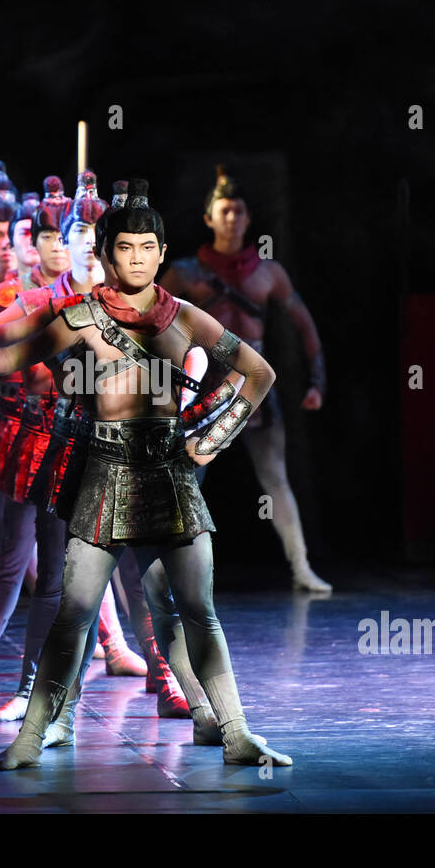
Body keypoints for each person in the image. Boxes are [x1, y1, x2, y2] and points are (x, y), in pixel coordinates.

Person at [0, 179, 291, 769]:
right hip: (103, 473)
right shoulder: (82, 315)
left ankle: (233, 731)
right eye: (127, 247)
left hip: (169, 473)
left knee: (195, 608)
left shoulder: (185, 317)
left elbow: (258, 372)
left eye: (149, 247)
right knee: (74, 609)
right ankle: (36, 733)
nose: (140, 258)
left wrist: (210, 441)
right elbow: (6, 354)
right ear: (107, 252)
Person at [160, 166, 332, 594]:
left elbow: (304, 325)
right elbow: (153, 324)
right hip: (203, 391)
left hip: (252, 389)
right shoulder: (185, 273)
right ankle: (164, 575)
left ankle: (301, 567)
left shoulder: (267, 271)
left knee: (275, 478)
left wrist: (317, 382)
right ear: (209, 218)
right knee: (187, 480)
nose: (232, 218)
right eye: (224, 210)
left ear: (248, 218)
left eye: (239, 211)